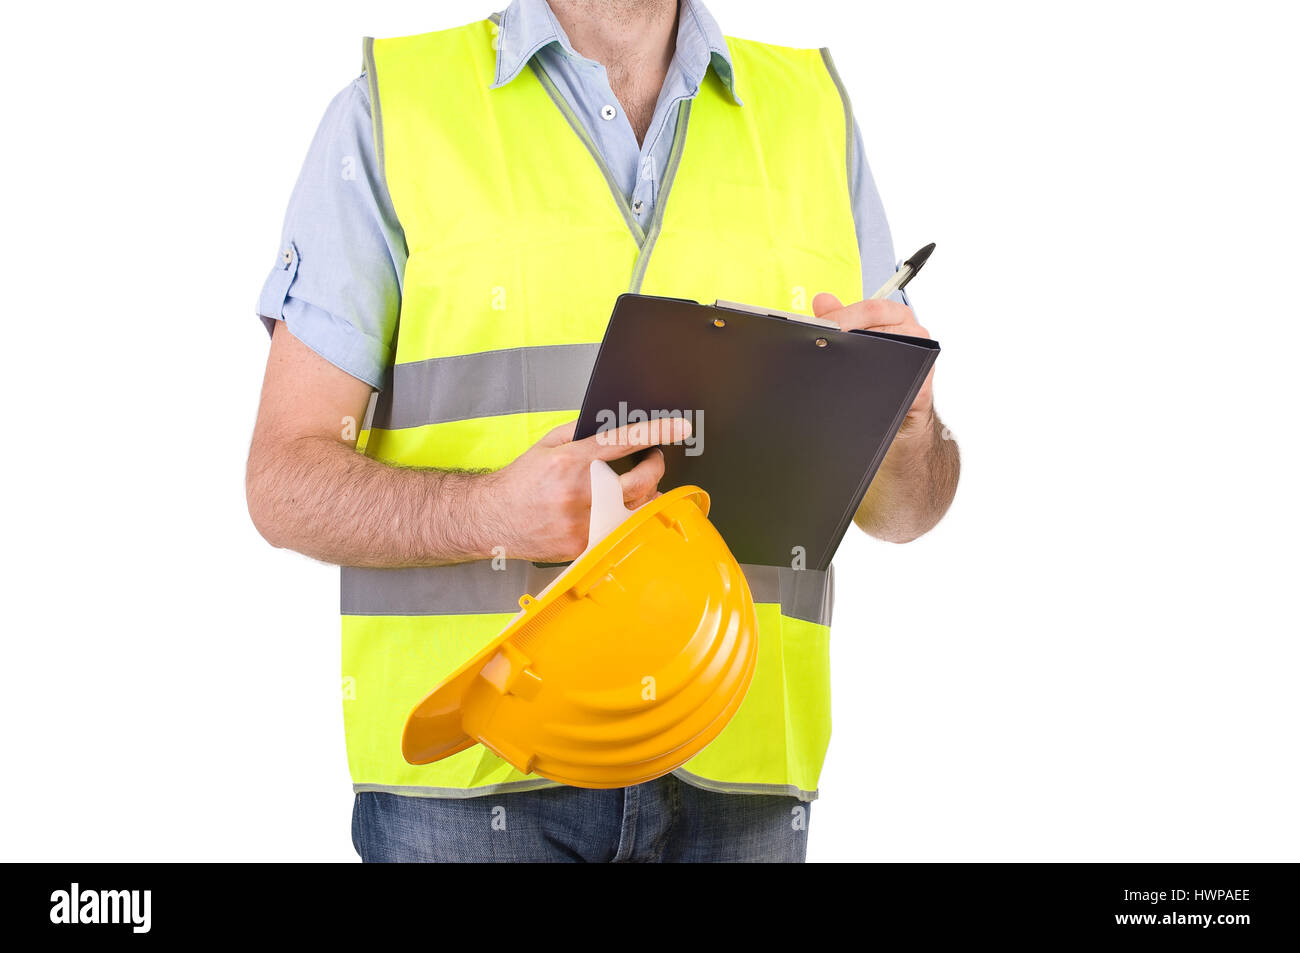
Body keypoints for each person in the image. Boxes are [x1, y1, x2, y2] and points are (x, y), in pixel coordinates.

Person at [247, 0, 960, 863]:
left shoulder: (813, 112)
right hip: (478, 784)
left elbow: (907, 511)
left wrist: (909, 425)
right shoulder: (392, 112)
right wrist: (490, 515)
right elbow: (282, 482)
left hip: (742, 781)